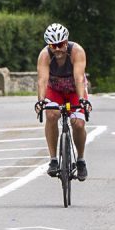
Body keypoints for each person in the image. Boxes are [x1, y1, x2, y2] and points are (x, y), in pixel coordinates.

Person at [34, 23, 90, 180]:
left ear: (66, 42)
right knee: (51, 115)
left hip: (74, 90)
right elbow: (42, 80)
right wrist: (40, 101)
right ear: (49, 45)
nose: (57, 49)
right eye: (53, 45)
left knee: (78, 124)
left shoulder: (77, 51)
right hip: (55, 90)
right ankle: (53, 160)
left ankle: (80, 160)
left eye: (61, 44)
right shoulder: (44, 55)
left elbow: (79, 78)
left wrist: (81, 100)